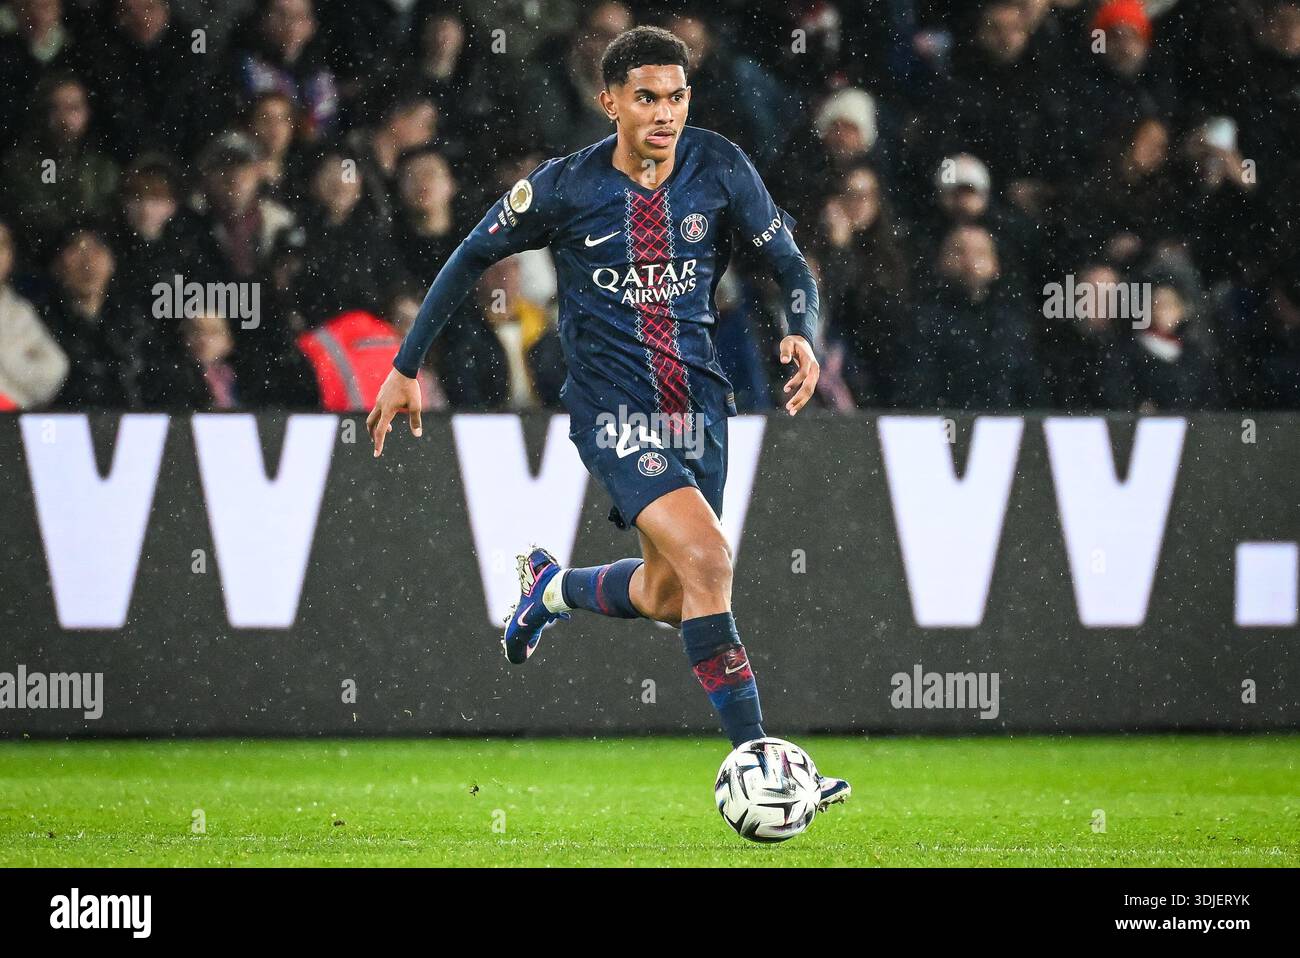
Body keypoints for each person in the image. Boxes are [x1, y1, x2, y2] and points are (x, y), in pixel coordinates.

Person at [366, 26, 850, 811]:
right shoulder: (565, 187)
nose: (665, 113)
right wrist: (405, 365)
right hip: (613, 408)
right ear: (610, 101)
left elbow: (790, 260)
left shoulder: (721, 165)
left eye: (678, 96)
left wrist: (800, 324)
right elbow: (467, 256)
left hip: (700, 406)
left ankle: (552, 591)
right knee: (711, 563)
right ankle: (764, 763)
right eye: (648, 98)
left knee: (670, 592)